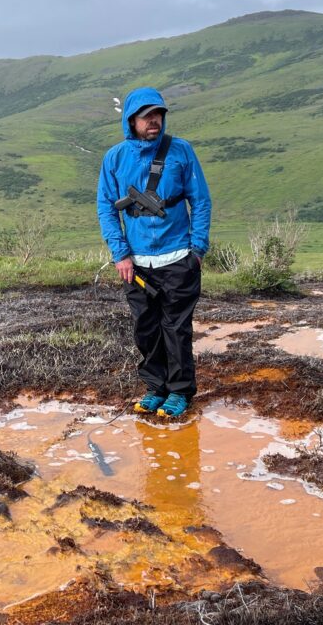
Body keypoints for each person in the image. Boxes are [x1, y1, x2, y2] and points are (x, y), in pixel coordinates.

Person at [96, 87, 212, 418]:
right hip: (136, 264)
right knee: (145, 329)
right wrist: (120, 254)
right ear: (130, 120)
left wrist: (197, 248)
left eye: (158, 114)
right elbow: (106, 207)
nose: (154, 121)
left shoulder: (181, 151)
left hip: (178, 259)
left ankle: (179, 392)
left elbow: (200, 199)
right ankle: (155, 387)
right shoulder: (115, 158)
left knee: (176, 329)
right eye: (147, 116)